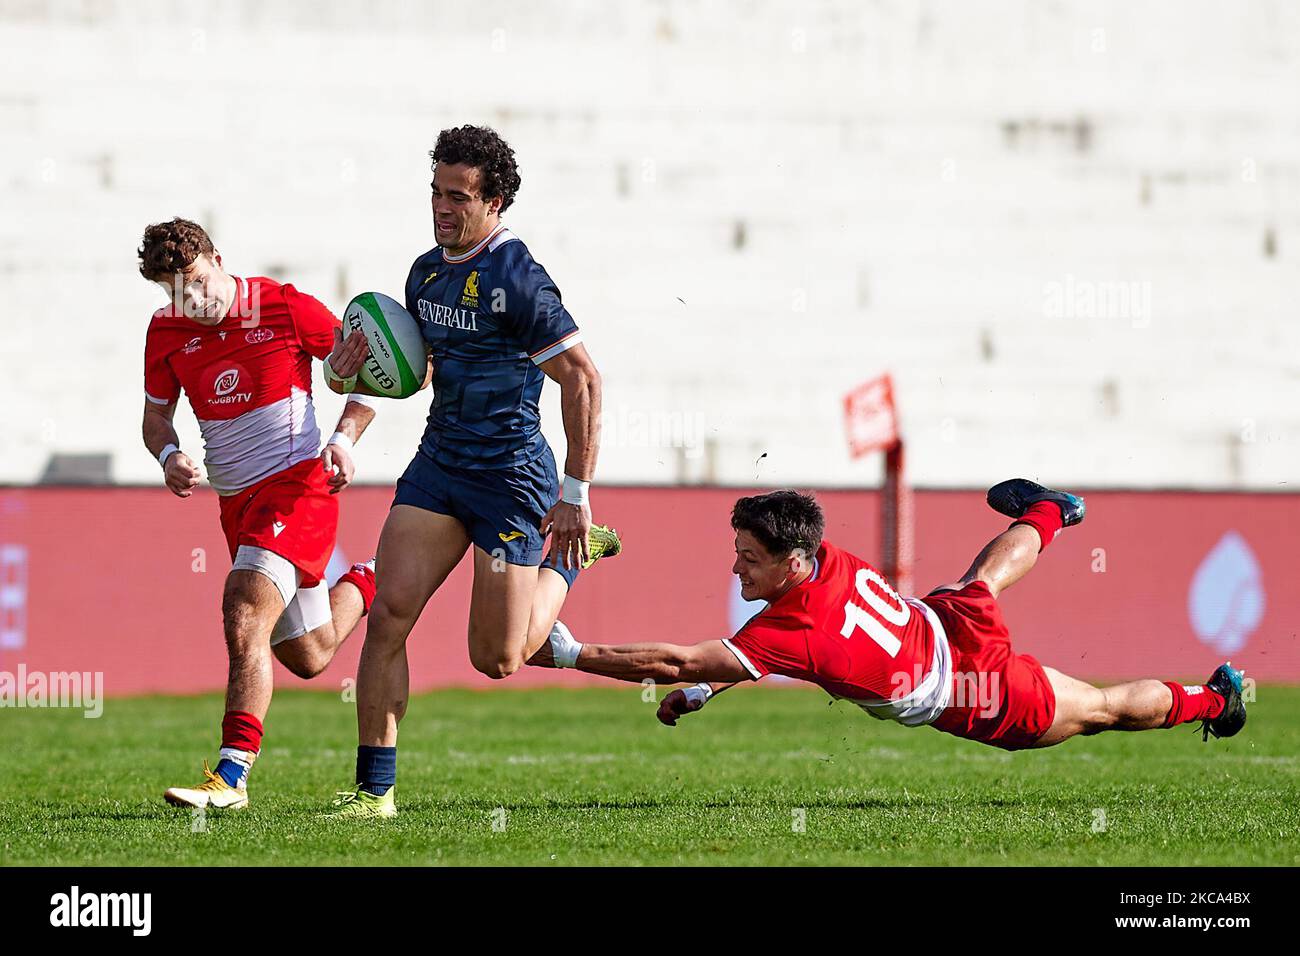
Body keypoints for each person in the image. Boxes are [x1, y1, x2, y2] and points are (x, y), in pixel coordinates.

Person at [322, 126, 620, 818]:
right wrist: (348, 375)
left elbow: (582, 380)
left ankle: (573, 556)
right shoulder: (425, 272)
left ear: (496, 201)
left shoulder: (518, 277)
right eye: (436, 192)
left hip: (512, 481)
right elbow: (418, 371)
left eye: (458, 197)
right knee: (389, 614)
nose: (442, 207)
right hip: (440, 465)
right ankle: (375, 792)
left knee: (498, 658)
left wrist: (574, 495)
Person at [533, 480, 1247, 751]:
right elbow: (748, 658)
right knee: (983, 581)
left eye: (749, 557)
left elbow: (680, 660)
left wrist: (569, 653)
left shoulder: (792, 631)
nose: (736, 568)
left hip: (975, 689)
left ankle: (1218, 700)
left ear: (791, 562)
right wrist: (712, 686)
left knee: (1100, 711)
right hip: (942, 622)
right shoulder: (824, 558)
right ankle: (1049, 512)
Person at [139, 217, 379, 810]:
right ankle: (381, 572)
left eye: (195, 280)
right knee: (309, 654)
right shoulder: (165, 331)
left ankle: (231, 775)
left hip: (299, 487)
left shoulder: (281, 305)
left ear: (217, 258)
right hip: (236, 505)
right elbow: (154, 420)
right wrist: (169, 454)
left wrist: (345, 439)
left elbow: (372, 371)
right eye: (174, 290)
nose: (190, 299)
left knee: (243, 608)